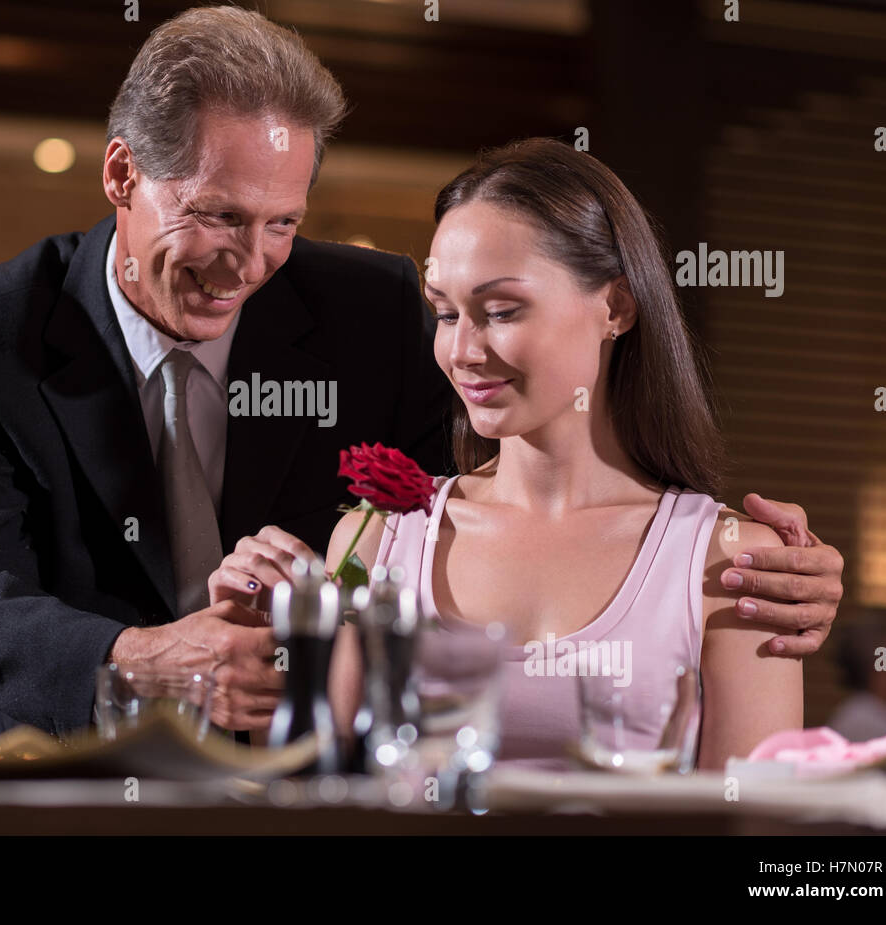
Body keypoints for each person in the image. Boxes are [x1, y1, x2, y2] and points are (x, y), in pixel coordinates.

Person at [0, 6, 843, 742]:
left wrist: (759, 566)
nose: (249, 262)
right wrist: (143, 658)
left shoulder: (374, 308)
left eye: (282, 222)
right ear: (121, 175)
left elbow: (546, 448)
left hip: (300, 792)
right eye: (219, 216)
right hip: (75, 777)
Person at [315, 138, 799, 769]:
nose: (462, 351)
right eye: (445, 314)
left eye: (501, 311)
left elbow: (753, 826)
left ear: (615, 307)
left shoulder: (727, 560)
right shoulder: (375, 541)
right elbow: (324, 796)